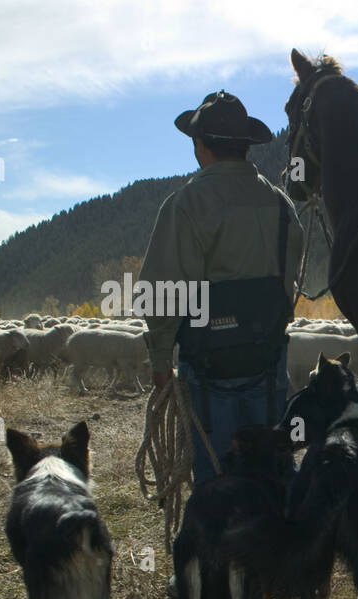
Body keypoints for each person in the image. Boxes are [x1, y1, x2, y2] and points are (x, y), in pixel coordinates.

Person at [141, 90, 305, 485]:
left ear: (200, 146)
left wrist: (161, 358)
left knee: (216, 477)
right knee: (271, 472)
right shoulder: (281, 205)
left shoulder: (186, 204)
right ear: (246, 146)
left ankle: (221, 544)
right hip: (267, 361)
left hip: (209, 364)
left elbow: (164, 291)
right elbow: (289, 284)